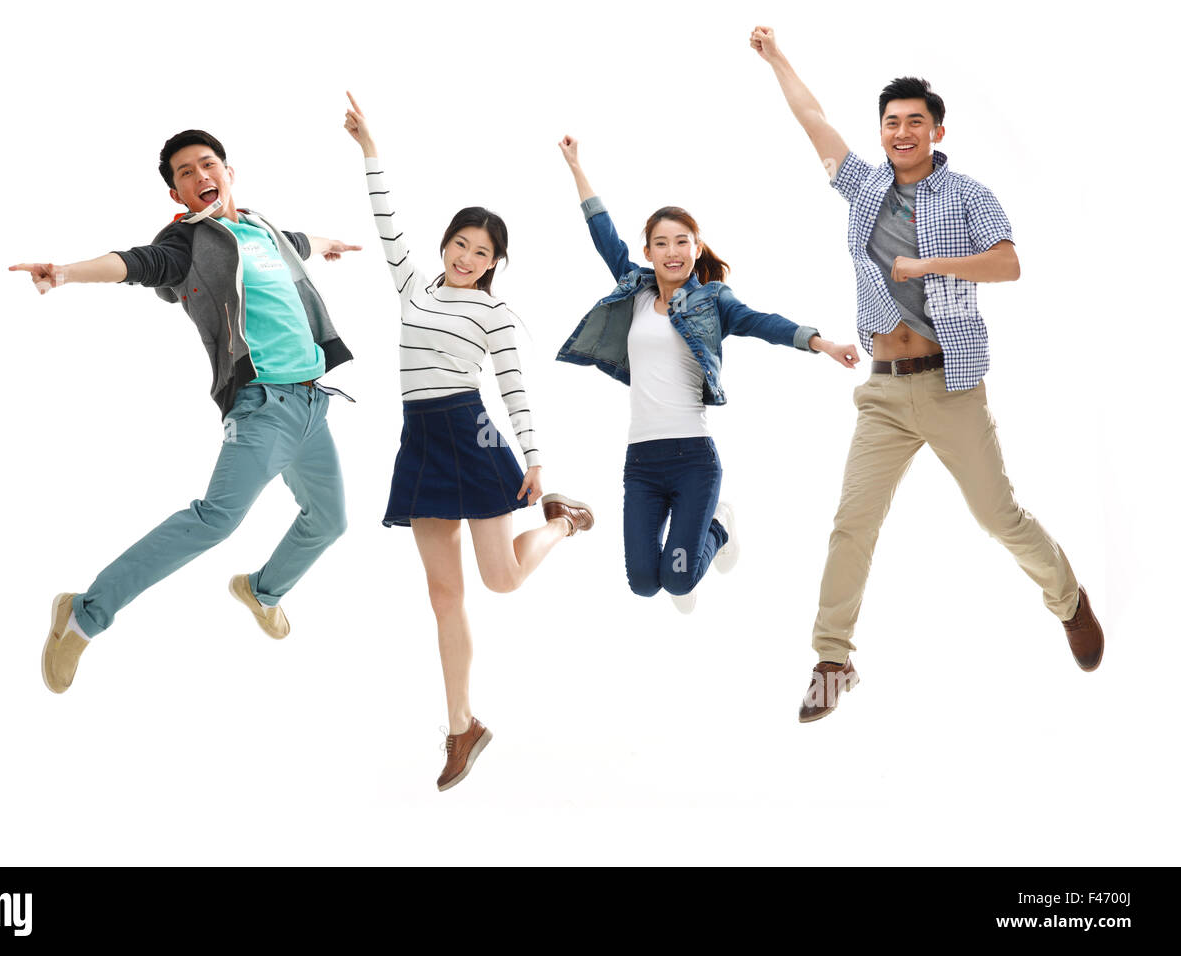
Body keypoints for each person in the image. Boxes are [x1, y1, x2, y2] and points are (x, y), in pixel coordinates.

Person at [749, 26, 1105, 722]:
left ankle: (1068, 599)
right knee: (851, 523)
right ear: (881, 132)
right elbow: (811, 117)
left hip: (950, 383)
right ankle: (832, 658)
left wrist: (934, 264)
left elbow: (1009, 263)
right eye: (891, 122)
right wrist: (777, 59)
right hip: (883, 389)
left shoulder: (968, 195)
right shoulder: (863, 187)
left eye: (915, 121)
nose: (902, 131)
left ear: (936, 130)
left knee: (996, 515)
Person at [11, 129, 360, 694]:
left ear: (227, 171)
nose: (201, 177)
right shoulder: (189, 245)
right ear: (177, 194)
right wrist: (68, 272)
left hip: (312, 404)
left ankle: (262, 591)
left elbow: (301, 241)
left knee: (330, 521)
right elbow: (136, 263)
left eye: (208, 165)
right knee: (214, 519)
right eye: (185, 174)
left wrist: (330, 244)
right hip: (262, 405)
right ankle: (83, 612)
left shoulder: (263, 229)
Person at [343, 94, 594, 792]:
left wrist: (536, 458)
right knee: (443, 595)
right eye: (460, 244)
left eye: (482, 253)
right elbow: (387, 225)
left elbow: (513, 386)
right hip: (421, 441)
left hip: (474, 435)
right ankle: (462, 726)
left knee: (501, 580)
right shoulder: (414, 289)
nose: (467, 257)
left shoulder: (493, 312)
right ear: (446, 245)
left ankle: (564, 525)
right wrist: (370, 148)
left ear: (493, 264)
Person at [556, 135, 856, 613]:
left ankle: (719, 527)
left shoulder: (713, 300)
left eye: (682, 242)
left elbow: (763, 323)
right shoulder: (633, 290)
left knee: (678, 583)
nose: (672, 252)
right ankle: (698, 542)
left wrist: (820, 342)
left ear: (696, 248)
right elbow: (603, 234)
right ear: (649, 252)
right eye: (661, 243)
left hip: (692, 458)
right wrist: (576, 166)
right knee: (643, 583)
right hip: (642, 463)